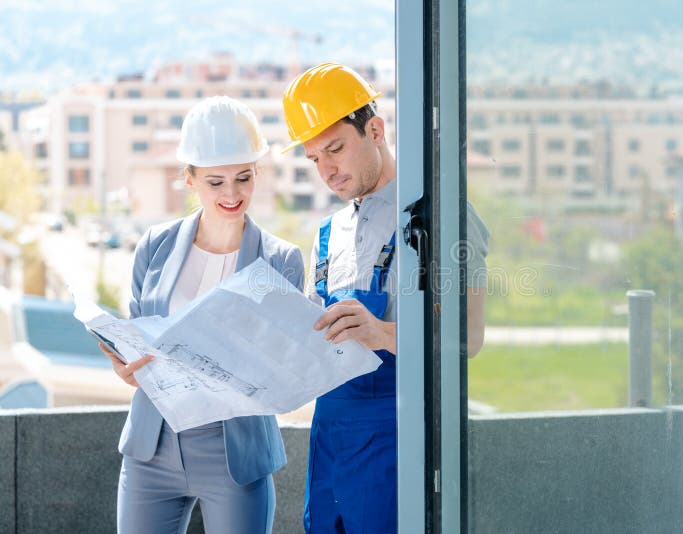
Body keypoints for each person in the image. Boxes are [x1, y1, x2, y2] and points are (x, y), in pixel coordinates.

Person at [281, 62, 489, 534]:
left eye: (335, 149)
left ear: (375, 130)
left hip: (394, 445)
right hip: (328, 444)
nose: (326, 170)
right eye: (314, 158)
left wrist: (382, 332)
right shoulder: (328, 234)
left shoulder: (443, 218)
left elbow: (470, 339)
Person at [98, 96, 304, 534]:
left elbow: (284, 364)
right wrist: (127, 366)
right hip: (152, 447)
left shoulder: (281, 261)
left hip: (234, 454)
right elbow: (138, 333)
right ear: (189, 178)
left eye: (243, 178)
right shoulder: (153, 246)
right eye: (215, 182)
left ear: (257, 172)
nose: (232, 194)